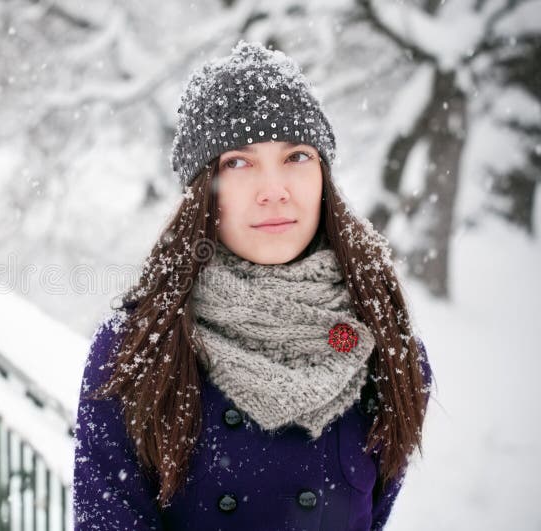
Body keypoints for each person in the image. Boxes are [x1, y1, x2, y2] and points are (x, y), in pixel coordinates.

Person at [73, 40, 433, 530]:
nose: (274, 190)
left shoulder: (387, 348)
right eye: (238, 163)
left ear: (324, 177)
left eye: (297, 156)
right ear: (203, 192)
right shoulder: (135, 351)